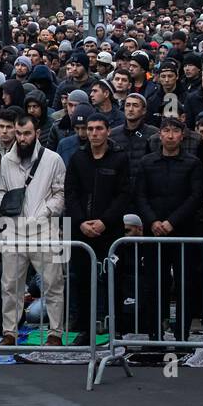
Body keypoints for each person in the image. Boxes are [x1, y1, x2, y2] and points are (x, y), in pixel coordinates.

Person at [0, 115, 67, 345]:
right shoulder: (7, 160)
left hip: (45, 229)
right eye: (19, 133)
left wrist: (45, 212)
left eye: (27, 133)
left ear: (36, 132)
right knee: (10, 285)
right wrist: (4, 207)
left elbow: (60, 193)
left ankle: (55, 332)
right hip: (14, 230)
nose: (22, 138)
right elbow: (1, 190)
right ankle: (9, 332)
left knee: (53, 284)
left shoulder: (53, 159)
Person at [132, 116, 203, 341]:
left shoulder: (192, 163)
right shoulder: (147, 162)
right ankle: (154, 334)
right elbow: (140, 195)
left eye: (175, 131)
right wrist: (153, 221)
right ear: (159, 135)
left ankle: (182, 334)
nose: (170, 135)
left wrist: (172, 222)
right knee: (154, 285)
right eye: (166, 131)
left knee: (185, 284)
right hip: (154, 233)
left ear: (182, 135)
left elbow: (195, 197)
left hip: (183, 232)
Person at [64, 112, 131, 342]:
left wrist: (105, 221)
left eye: (99, 128)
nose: (94, 133)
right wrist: (81, 222)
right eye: (90, 129)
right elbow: (70, 194)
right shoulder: (77, 158)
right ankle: (85, 328)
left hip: (110, 230)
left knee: (114, 278)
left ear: (108, 131)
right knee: (83, 280)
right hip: (82, 230)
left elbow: (124, 195)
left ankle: (117, 327)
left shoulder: (120, 158)